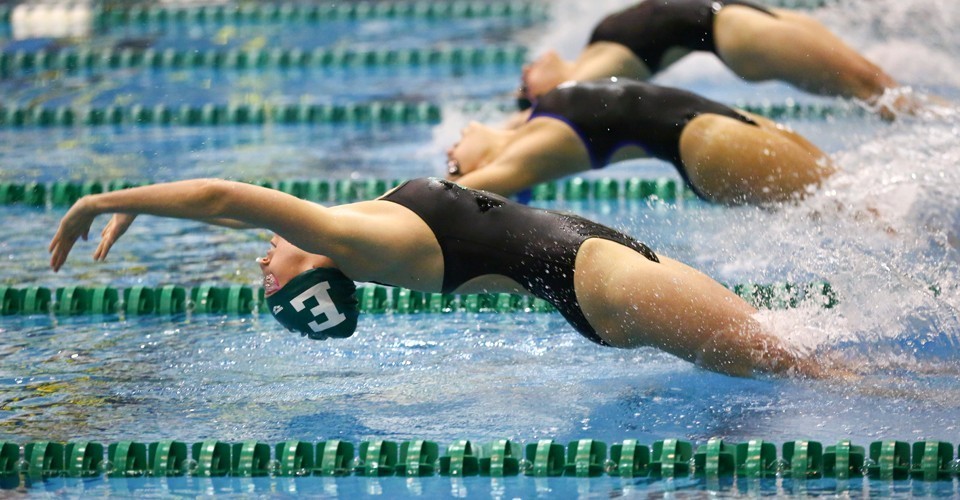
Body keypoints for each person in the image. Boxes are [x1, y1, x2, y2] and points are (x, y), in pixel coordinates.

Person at [49, 177, 822, 378]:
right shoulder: (354, 240)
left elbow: (233, 210)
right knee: (822, 374)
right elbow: (227, 197)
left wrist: (150, 212)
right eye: (267, 277)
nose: (261, 261)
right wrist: (101, 200)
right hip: (610, 286)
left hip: (606, 274)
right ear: (312, 273)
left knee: (803, 363)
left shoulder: (359, 233)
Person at [447, 77, 835, 204]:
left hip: (715, 124)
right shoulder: (531, 153)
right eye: (452, 163)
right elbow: (444, 196)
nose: (449, 150)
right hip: (706, 140)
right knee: (845, 207)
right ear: (481, 169)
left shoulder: (531, 122)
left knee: (842, 190)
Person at [518, 0, 911, 118]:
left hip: (743, 18)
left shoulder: (593, 47)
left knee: (884, 85)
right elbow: (554, 110)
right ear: (542, 94)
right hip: (740, 35)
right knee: (880, 94)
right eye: (525, 86)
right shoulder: (587, 75)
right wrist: (524, 116)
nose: (525, 70)